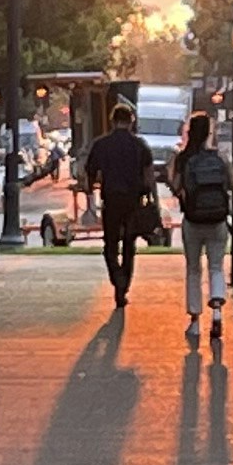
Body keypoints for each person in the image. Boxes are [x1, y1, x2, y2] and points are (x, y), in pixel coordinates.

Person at [83, 96, 157, 311]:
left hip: (111, 199)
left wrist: (91, 195)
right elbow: (149, 176)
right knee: (129, 244)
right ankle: (123, 287)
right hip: (133, 201)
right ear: (131, 120)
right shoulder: (140, 145)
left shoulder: (101, 145)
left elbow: (90, 172)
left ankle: (116, 275)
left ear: (112, 120)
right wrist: (154, 201)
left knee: (110, 243)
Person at [170, 107, 233, 345]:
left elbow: (176, 185)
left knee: (193, 269)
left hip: (193, 219)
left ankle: (195, 320)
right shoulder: (219, 158)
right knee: (216, 266)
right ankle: (217, 309)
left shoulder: (183, 158)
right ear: (209, 132)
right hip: (217, 220)